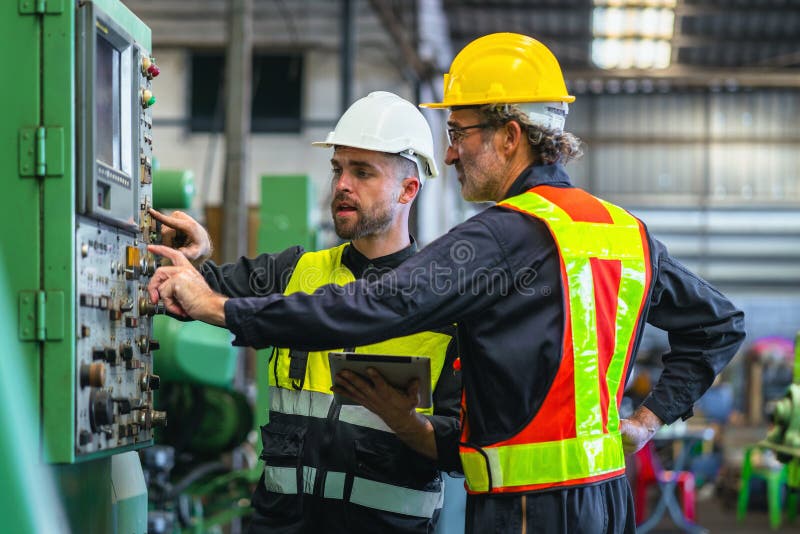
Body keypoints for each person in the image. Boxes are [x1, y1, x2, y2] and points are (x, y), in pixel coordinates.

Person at [148, 34, 746, 533]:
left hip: (525, 510)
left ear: (509, 136)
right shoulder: (623, 232)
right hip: (607, 502)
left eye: (459, 133)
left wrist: (224, 310)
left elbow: (379, 301)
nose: (452, 154)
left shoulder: (500, 237)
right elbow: (720, 322)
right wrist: (646, 422)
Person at [148, 91, 462, 533]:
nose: (342, 186)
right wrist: (190, 256)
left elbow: (461, 449)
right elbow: (191, 291)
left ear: (408, 189)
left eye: (362, 172)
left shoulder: (444, 306)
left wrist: (404, 422)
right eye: (338, 170)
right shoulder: (297, 271)